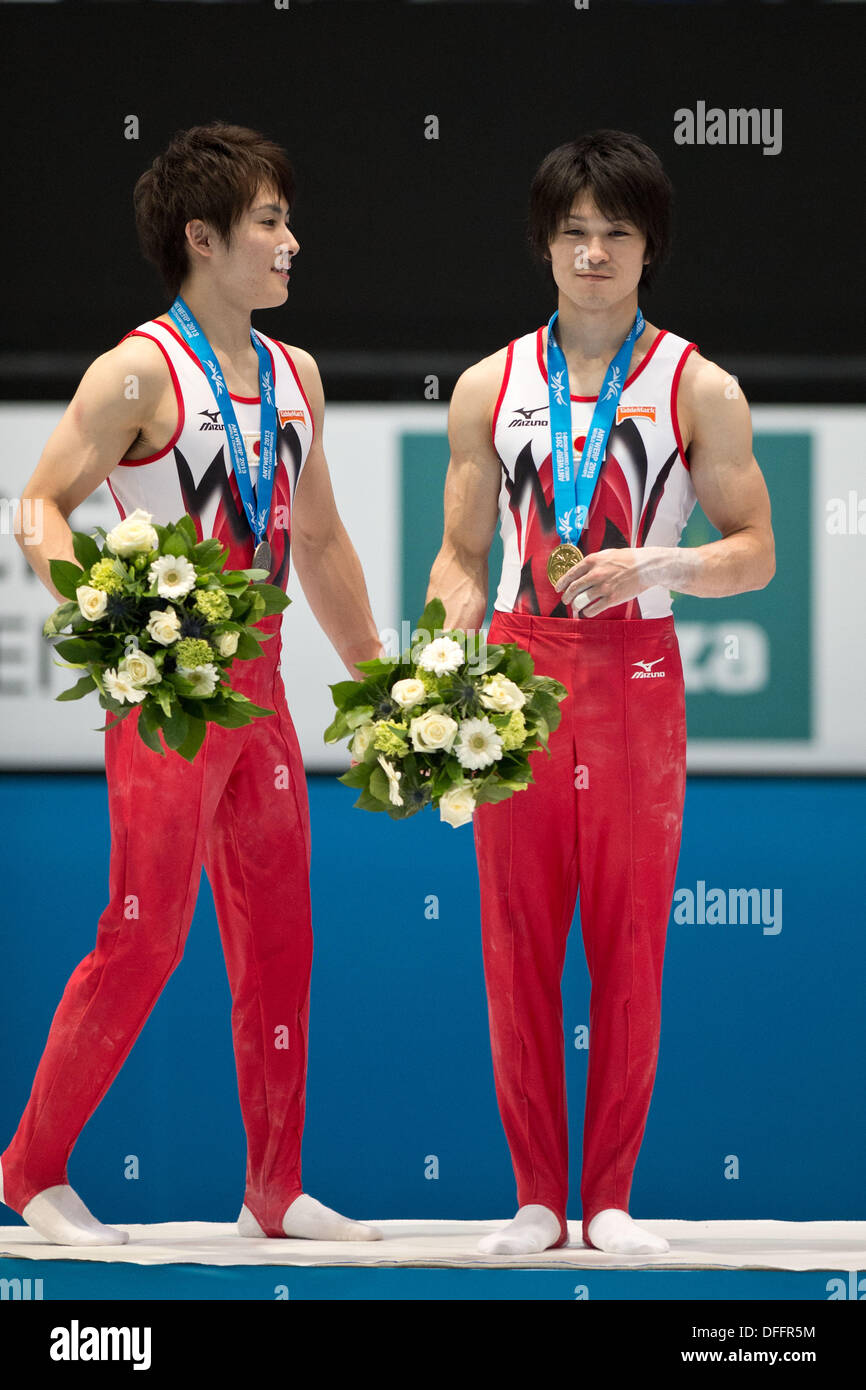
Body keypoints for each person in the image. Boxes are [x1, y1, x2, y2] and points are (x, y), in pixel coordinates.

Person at [1, 122, 384, 1246]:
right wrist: (119, 618)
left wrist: (391, 691)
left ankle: (274, 1188)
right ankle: (29, 1169)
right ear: (201, 238)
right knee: (147, 928)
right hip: (167, 690)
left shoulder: (294, 375)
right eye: (269, 223)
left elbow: (315, 543)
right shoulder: (136, 371)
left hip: (257, 686)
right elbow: (37, 507)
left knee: (278, 937)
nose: (291, 243)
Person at [427, 130, 775, 1256]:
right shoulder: (488, 384)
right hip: (518, 670)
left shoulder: (698, 387)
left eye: (612, 234)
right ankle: (536, 1195)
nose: (589, 254)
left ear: (646, 248)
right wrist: (445, 650)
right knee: (514, 936)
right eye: (571, 232)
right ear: (544, 242)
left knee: (628, 940)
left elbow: (758, 550)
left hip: (633, 673)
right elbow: (460, 555)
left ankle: (610, 1196)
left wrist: (658, 565)